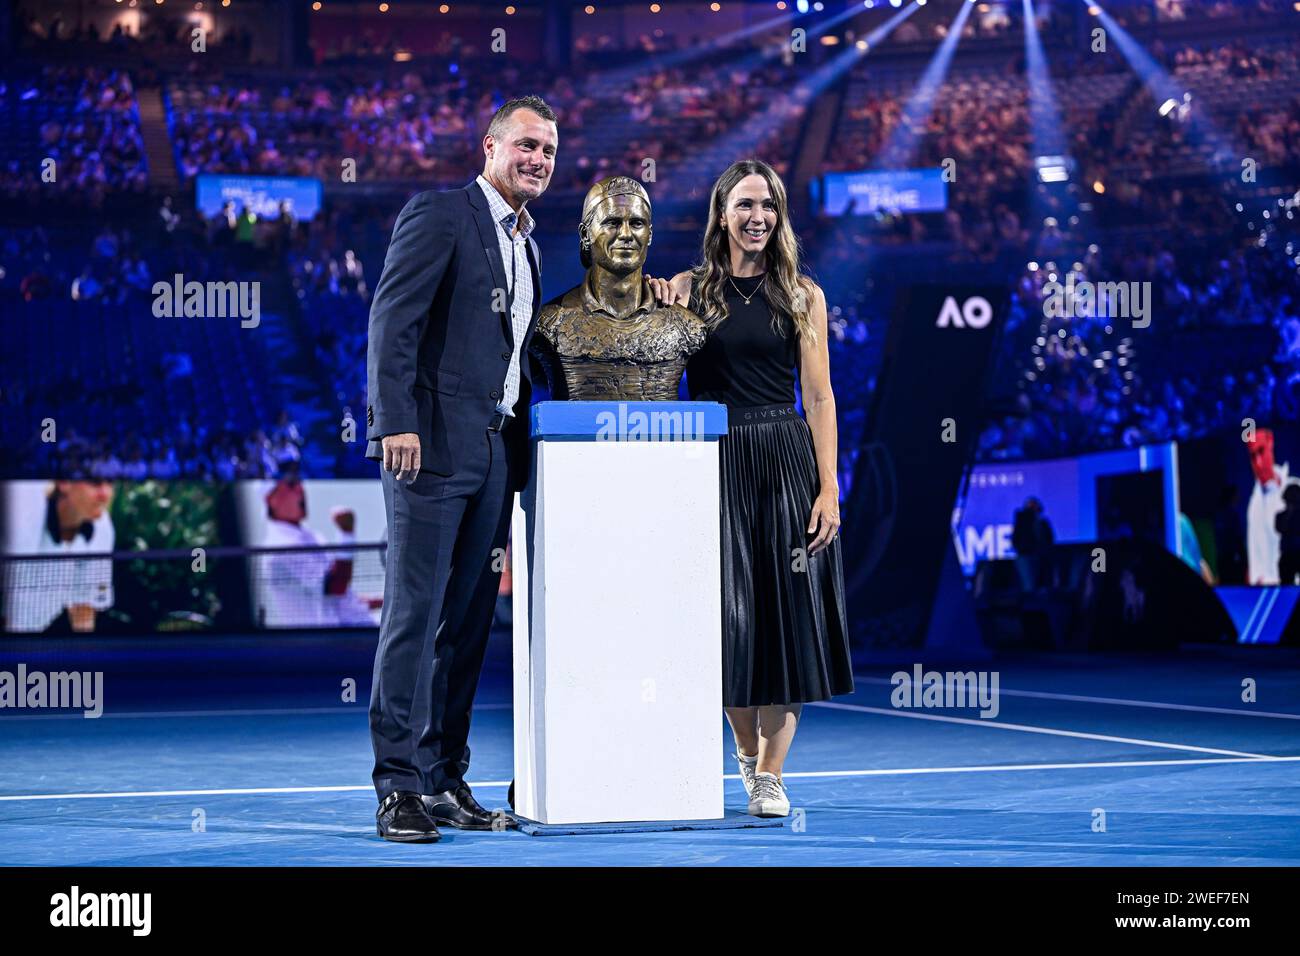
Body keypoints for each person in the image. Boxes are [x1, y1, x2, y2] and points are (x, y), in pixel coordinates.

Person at [364, 94, 556, 843]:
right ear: (490, 146)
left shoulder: (530, 246)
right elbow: (392, 320)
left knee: (470, 623)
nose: (537, 159)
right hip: (431, 448)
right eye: (525, 145)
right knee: (415, 613)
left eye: (547, 149)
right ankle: (397, 786)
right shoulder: (442, 214)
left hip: (495, 453)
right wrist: (397, 421)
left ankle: (444, 778)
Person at [648, 158, 853, 818]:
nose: (756, 215)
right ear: (722, 214)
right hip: (709, 463)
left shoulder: (803, 295)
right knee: (725, 627)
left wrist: (829, 488)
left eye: (767, 205)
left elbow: (819, 397)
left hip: (783, 462)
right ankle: (744, 750)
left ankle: (770, 773)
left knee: (786, 621)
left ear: (779, 215)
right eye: (744, 204)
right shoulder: (688, 290)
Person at [3, 481, 115, 633]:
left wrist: (85, 655)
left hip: (31, 637)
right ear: (64, 483)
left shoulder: (102, 529)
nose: (105, 494)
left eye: (110, 483)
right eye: (94, 482)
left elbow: (83, 609)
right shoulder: (18, 511)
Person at [1245, 428, 1298, 585]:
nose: (1259, 463)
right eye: (1253, 456)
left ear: (1270, 444)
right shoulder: (1254, 508)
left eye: (1261, 452)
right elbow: (1257, 567)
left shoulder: (1295, 486)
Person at [1012, 496, 1055, 591]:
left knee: (1042, 585)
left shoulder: (1043, 523)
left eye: (1034, 506)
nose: (1033, 509)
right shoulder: (1021, 523)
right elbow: (1016, 540)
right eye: (1030, 507)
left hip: (1042, 557)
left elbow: (1049, 540)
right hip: (1025, 556)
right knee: (1029, 586)